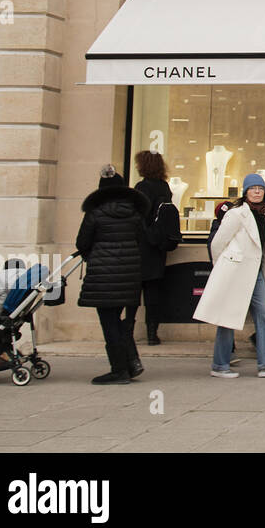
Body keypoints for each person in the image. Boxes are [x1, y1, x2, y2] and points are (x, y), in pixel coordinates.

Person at [193, 174, 265, 379]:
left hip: (257, 274)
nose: (257, 191)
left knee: (264, 314)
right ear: (245, 191)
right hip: (236, 272)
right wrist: (225, 266)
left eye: (260, 188)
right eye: (253, 188)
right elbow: (218, 244)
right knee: (228, 317)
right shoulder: (236, 214)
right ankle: (220, 365)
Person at [75, 164, 147, 384]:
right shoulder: (134, 214)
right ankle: (128, 365)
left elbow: (82, 243)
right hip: (129, 276)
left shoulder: (95, 214)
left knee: (110, 324)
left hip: (103, 277)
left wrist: (95, 255)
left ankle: (119, 369)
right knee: (120, 322)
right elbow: (142, 241)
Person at [134, 150, 173, 345]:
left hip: (142, 244)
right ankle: (152, 332)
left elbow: (137, 216)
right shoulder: (164, 187)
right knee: (153, 292)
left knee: (134, 292)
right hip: (158, 245)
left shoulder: (141, 187)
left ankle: (128, 331)